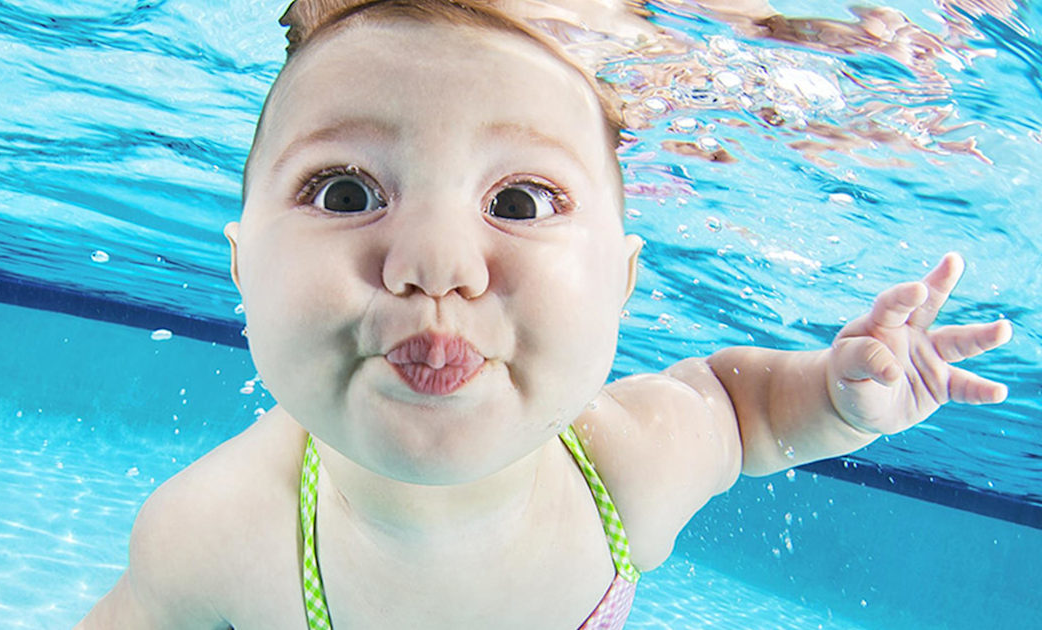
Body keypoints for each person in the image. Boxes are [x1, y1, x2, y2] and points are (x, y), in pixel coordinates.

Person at [77, 1, 1013, 628]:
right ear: (241, 266)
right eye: (342, 191)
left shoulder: (624, 470)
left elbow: (747, 412)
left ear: (621, 280)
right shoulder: (215, 533)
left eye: (520, 203)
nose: (434, 265)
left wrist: (841, 398)